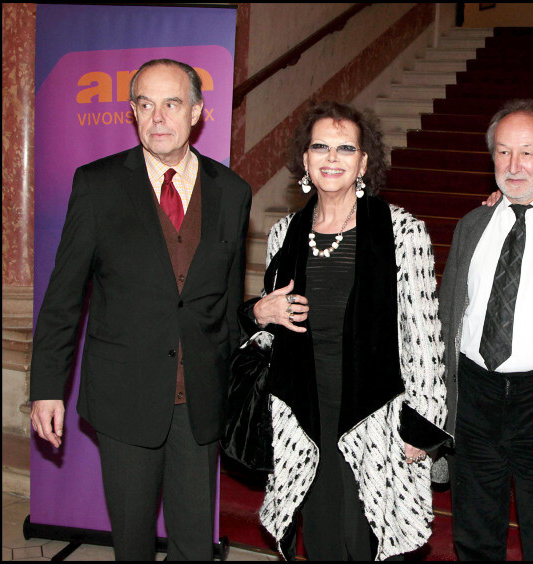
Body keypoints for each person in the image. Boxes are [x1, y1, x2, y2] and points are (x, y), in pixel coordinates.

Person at [28, 58, 252, 561]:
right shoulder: (97, 185)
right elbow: (63, 297)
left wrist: (236, 391)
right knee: (130, 544)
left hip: (199, 401)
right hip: (123, 397)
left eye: (171, 103)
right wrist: (47, 388)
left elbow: (227, 303)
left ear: (196, 112)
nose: (157, 117)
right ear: (132, 113)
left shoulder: (233, 193)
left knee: (194, 547)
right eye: (145, 104)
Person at [241, 101, 451, 561]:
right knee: (319, 538)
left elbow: (424, 335)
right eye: (320, 146)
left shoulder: (400, 231)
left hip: (374, 415)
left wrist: (423, 423)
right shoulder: (285, 234)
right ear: (305, 159)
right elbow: (272, 331)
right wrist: (259, 314)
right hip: (305, 414)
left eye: (345, 148)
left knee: (368, 539)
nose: (331, 158)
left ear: (363, 162)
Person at [437, 99, 533, 560]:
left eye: (527, 152)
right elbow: (450, 315)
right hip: (474, 396)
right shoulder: (472, 224)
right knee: (473, 531)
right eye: (503, 152)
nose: (514, 165)